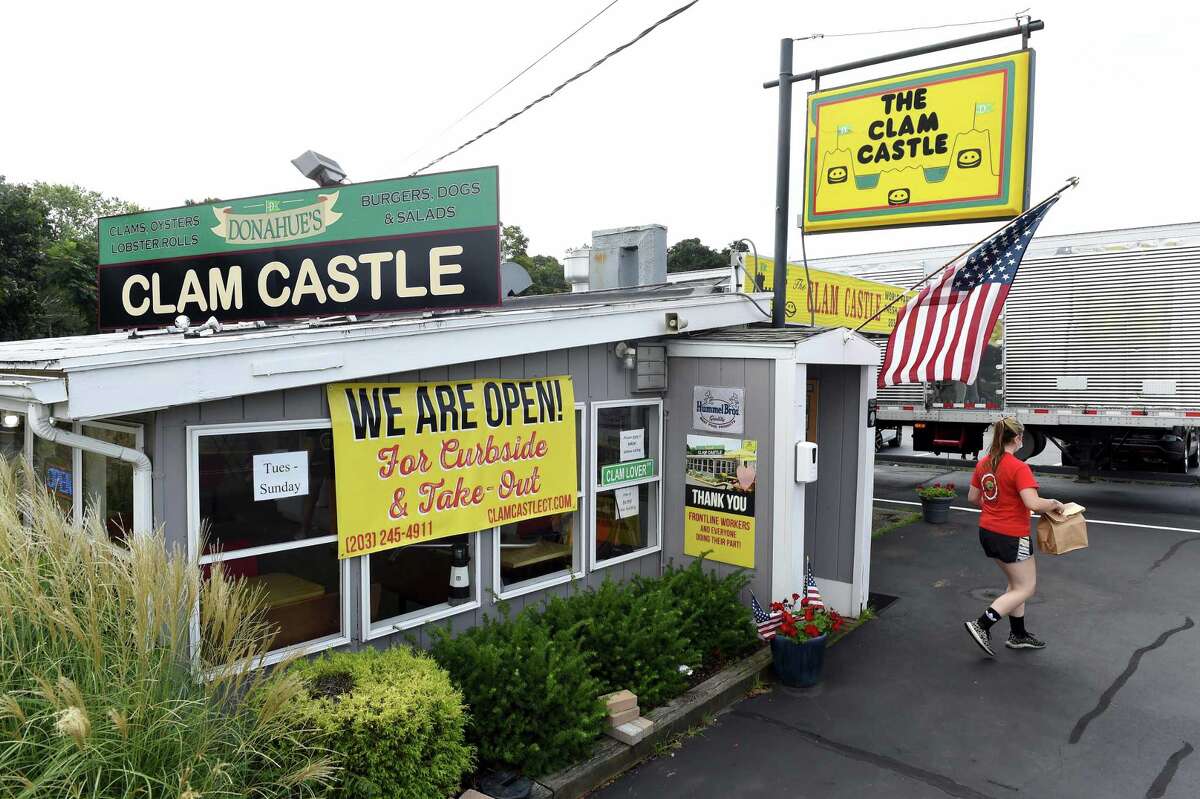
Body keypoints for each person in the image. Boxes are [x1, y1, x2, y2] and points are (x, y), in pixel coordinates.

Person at [963, 417, 1066, 657]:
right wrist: (1054, 503)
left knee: (1015, 585)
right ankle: (982, 624)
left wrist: (994, 507)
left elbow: (972, 498)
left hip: (987, 532)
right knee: (1026, 587)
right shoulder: (1019, 467)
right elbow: (1032, 503)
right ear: (1017, 438)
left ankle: (1018, 635)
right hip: (1011, 536)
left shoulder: (984, 464)